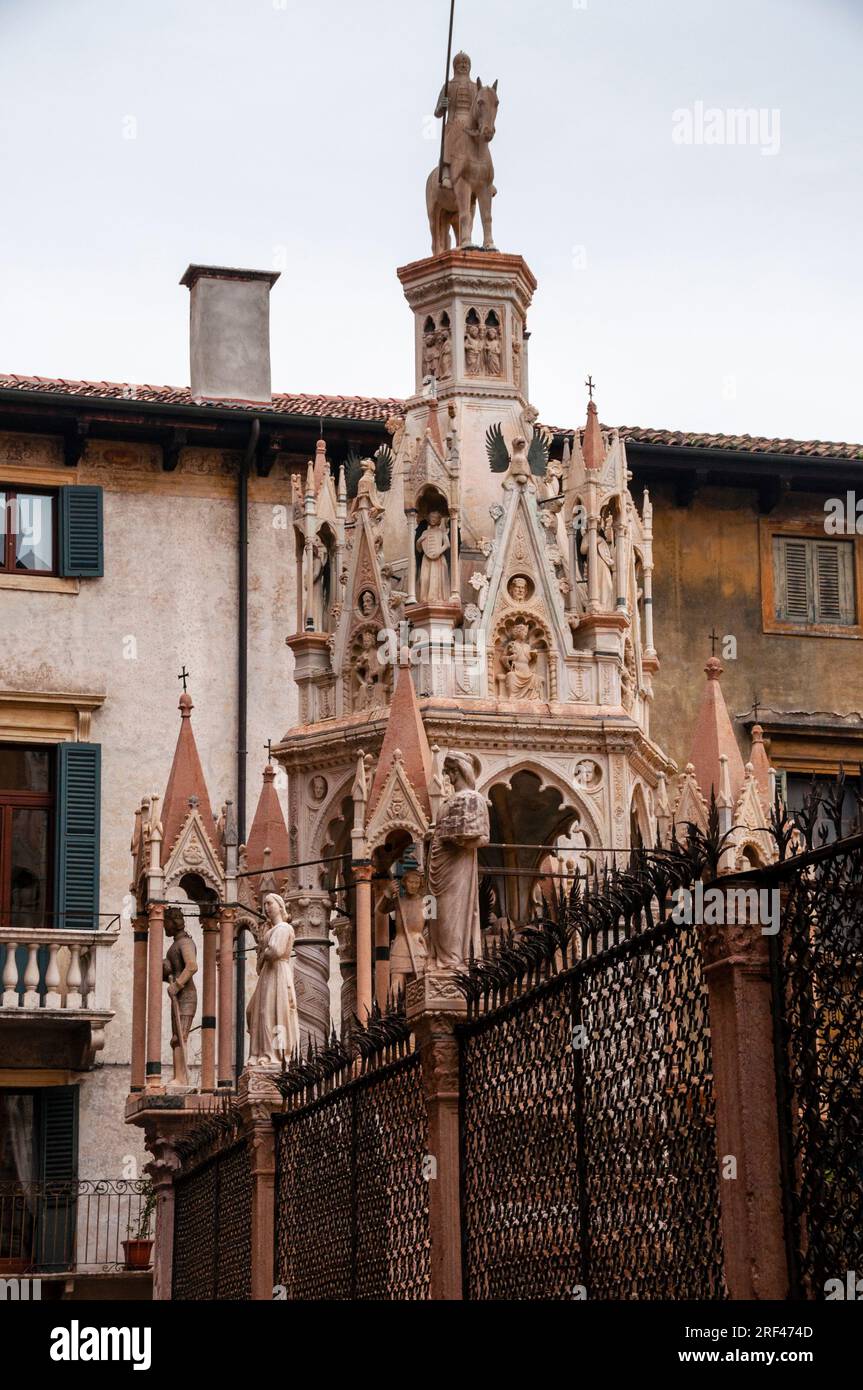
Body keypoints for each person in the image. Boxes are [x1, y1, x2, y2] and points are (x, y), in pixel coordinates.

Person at [246, 892, 299, 1066]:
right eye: (265, 904)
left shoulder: (284, 928)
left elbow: (275, 951)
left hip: (278, 973)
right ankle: (259, 1051)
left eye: (270, 903)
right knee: (257, 1012)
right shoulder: (272, 931)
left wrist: (264, 952)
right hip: (267, 975)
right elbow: (264, 956)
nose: (267, 907)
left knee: (276, 1012)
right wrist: (264, 952)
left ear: (280, 905)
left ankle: (276, 1054)